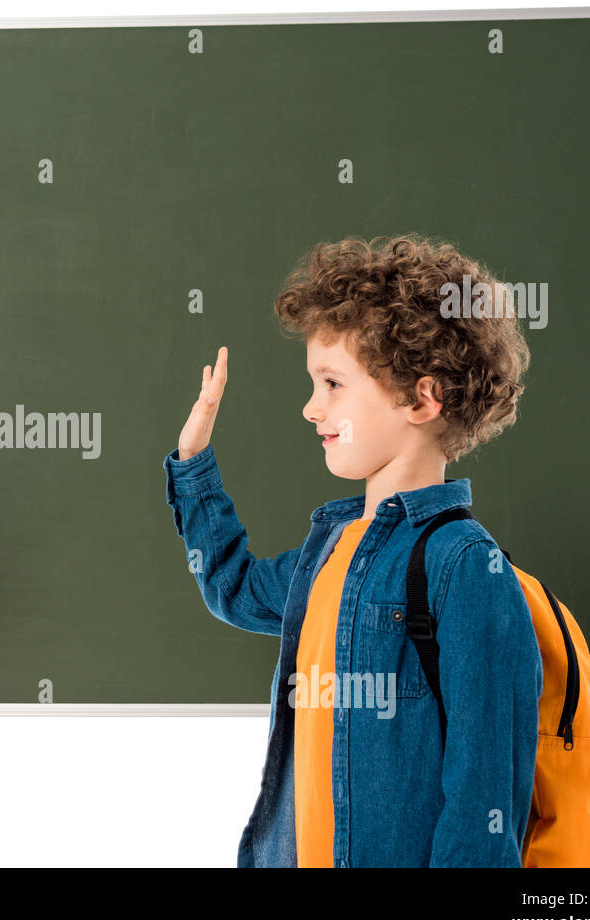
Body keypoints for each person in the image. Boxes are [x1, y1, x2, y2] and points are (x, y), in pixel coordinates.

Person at [164, 234, 542, 867]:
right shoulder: (329, 554)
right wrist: (194, 465)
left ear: (422, 398)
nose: (312, 407)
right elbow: (230, 587)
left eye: (333, 383)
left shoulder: (465, 566)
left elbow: (483, 807)